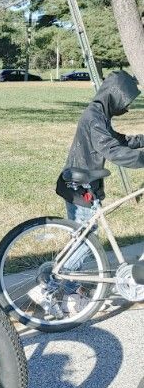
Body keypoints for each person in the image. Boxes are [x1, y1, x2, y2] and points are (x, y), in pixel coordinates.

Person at [31, 70, 144, 318]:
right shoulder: (94, 117)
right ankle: (48, 287)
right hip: (80, 186)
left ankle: (71, 293)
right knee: (86, 240)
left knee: (81, 238)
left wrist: (141, 141)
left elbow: (118, 140)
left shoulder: (99, 115)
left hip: (82, 183)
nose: (127, 108)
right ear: (115, 96)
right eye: (126, 102)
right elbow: (112, 150)